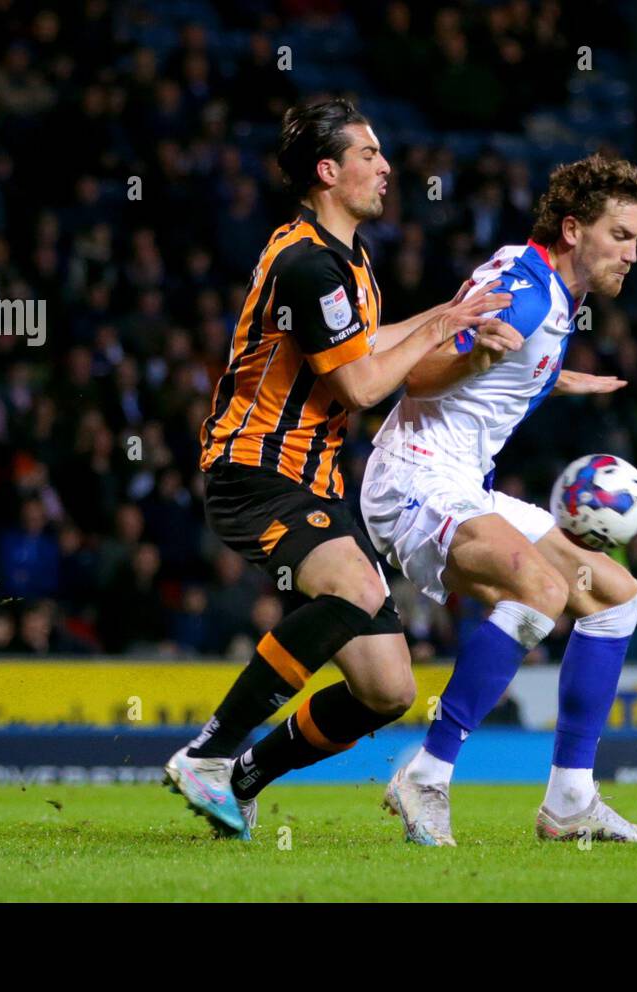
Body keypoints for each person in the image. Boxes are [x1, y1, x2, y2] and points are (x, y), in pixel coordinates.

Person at [164, 99, 510, 839]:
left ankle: (244, 779)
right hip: (258, 468)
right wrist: (442, 328)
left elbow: (367, 344)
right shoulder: (307, 263)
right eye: (369, 154)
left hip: (311, 483)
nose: (386, 167)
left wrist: (445, 315)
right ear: (328, 171)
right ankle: (210, 753)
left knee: (387, 689)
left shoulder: (347, 260)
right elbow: (360, 386)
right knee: (355, 589)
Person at [361, 154, 637, 845]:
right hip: (414, 480)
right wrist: (476, 358)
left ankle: (571, 799)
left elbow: (507, 362)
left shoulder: (553, 291)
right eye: (620, 236)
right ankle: (426, 775)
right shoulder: (525, 291)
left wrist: (555, 378)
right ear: (573, 229)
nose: (633, 254)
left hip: (463, 483)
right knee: (541, 590)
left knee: (615, 598)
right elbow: (417, 375)